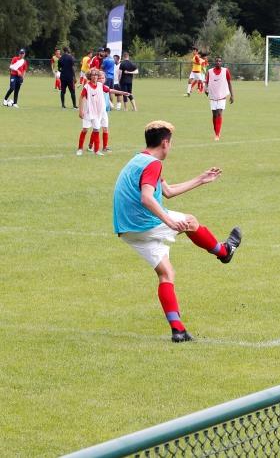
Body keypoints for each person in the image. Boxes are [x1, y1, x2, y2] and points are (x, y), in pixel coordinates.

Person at [112, 120, 242, 343]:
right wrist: (169, 222)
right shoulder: (152, 164)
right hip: (144, 223)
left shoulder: (138, 160)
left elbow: (168, 192)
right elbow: (146, 197)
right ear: (165, 143)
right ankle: (224, 251)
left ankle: (178, 330)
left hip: (127, 230)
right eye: (170, 144)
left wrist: (201, 180)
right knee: (190, 221)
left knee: (166, 273)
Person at [78, 68, 130, 155]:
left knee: (96, 129)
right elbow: (81, 98)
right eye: (93, 75)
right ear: (89, 77)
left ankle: (96, 150)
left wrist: (122, 92)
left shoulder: (100, 85)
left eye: (96, 75)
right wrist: (80, 111)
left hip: (98, 112)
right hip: (88, 111)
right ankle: (80, 149)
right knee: (85, 130)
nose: (95, 76)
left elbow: (110, 90)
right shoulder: (87, 86)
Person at [205, 56, 233, 141]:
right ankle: (216, 131)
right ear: (214, 62)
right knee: (214, 115)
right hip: (213, 96)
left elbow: (229, 83)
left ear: (222, 62)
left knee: (219, 113)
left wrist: (232, 95)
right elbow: (206, 82)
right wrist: (205, 89)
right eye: (217, 61)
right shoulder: (210, 71)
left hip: (222, 96)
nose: (218, 62)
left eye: (220, 61)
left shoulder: (225, 71)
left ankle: (217, 135)